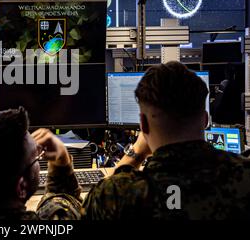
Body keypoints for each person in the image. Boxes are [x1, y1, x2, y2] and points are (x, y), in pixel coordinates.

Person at [83, 61, 250, 219]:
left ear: (143, 125)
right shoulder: (245, 176)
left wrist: (136, 153)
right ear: (205, 120)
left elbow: (90, 208)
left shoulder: (118, 194)